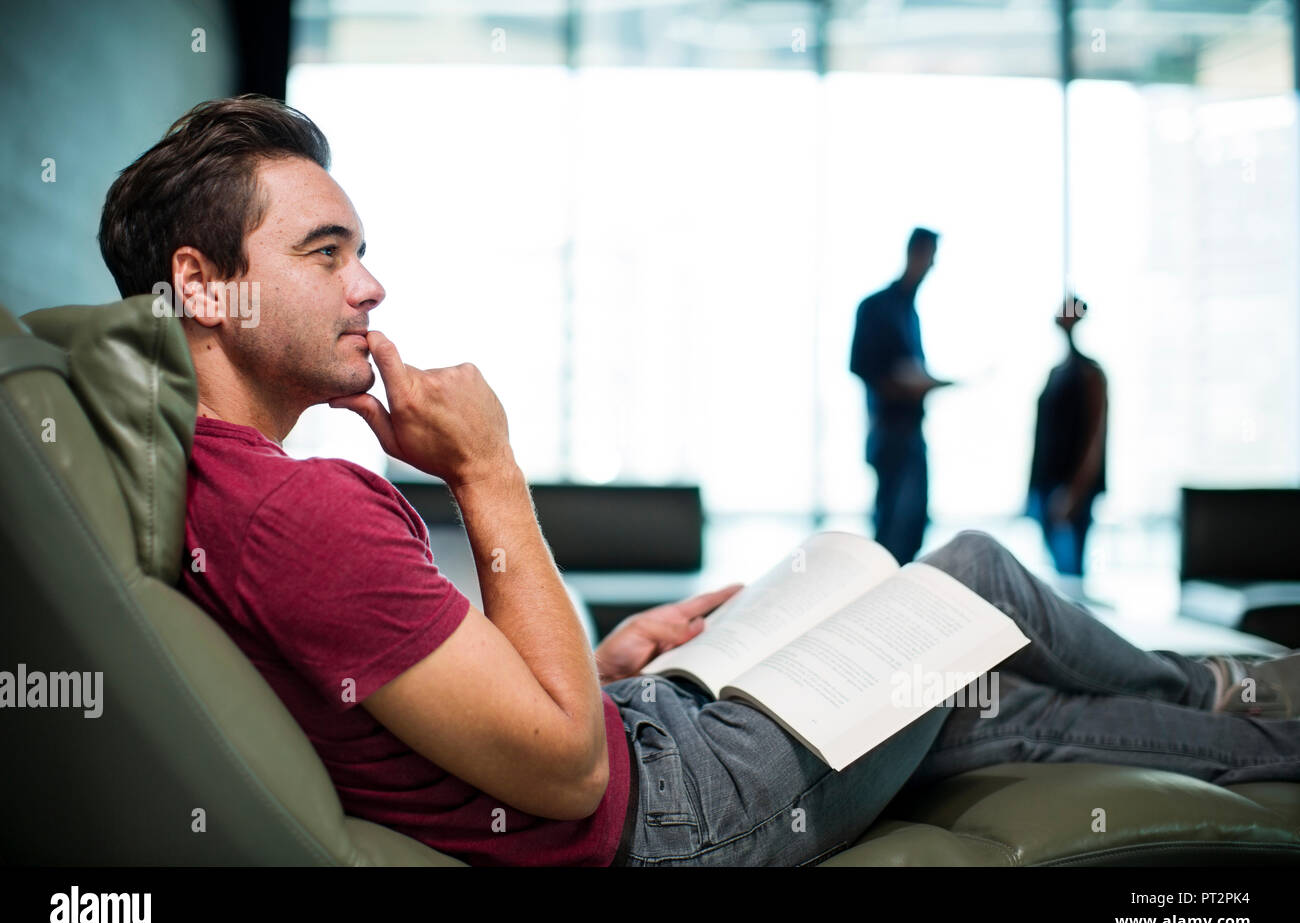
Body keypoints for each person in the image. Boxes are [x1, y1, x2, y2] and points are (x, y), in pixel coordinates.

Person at [97, 96, 1300, 867]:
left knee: (982, 696)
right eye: (327, 252)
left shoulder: (227, 487)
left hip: (656, 737)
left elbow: (482, 710)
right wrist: (487, 465)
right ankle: (1224, 685)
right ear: (204, 285)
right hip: (677, 809)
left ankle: (1269, 730)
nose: (372, 287)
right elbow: (565, 770)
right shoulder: (299, 510)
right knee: (974, 577)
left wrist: (615, 664)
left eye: (362, 249)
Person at [849, 228, 954, 564]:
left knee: (912, 525)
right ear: (916, 252)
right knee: (893, 529)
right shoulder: (878, 308)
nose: (932, 265)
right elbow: (863, 367)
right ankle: (882, 609)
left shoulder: (910, 312)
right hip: (890, 433)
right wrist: (904, 386)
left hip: (910, 433)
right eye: (930, 256)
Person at [1026, 294, 1107, 578]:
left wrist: (1074, 492)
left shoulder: (1090, 373)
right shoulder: (1055, 372)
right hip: (1046, 485)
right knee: (1055, 572)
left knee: (1069, 575)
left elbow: (1094, 440)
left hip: (1069, 489)